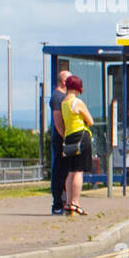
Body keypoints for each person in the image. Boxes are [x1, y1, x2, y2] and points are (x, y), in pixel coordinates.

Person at [61, 75, 94, 216]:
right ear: (78, 88)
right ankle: (76, 203)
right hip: (81, 137)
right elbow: (90, 121)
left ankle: (68, 202)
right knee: (78, 171)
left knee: (70, 172)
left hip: (69, 138)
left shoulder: (63, 103)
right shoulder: (77, 102)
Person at [49, 70, 69, 214]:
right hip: (60, 139)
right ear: (63, 81)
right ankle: (57, 203)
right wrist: (64, 137)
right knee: (60, 171)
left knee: (66, 171)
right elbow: (57, 121)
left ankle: (64, 201)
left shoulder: (63, 96)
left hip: (65, 138)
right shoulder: (57, 97)